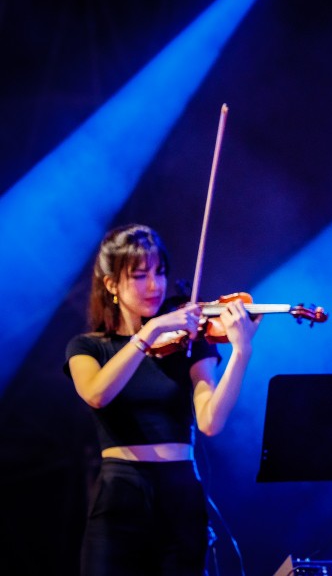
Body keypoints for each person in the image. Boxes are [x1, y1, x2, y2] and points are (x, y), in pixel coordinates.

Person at [64, 224, 259, 575]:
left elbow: (211, 422)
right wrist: (148, 331)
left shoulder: (187, 343)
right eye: (140, 276)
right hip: (120, 490)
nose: (155, 286)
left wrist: (241, 352)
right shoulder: (88, 347)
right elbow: (96, 393)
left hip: (180, 491)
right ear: (111, 285)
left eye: (161, 272)